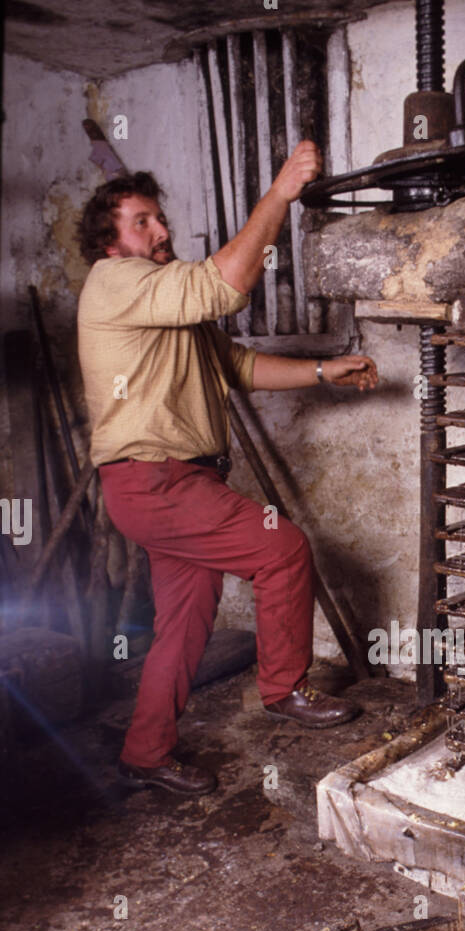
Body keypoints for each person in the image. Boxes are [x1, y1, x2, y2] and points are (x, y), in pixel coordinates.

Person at [77, 141, 377, 797]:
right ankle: (284, 689)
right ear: (110, 243)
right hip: (154, 480)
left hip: (176, 483)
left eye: (159, 218)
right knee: (283, 547)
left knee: (183, 625)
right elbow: (226, 282)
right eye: (141, 223)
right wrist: (279, 194)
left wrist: (323, 371)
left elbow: (234, 367)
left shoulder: (163, 297)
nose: (161, 231)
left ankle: (146, 752)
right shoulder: (114, 281)